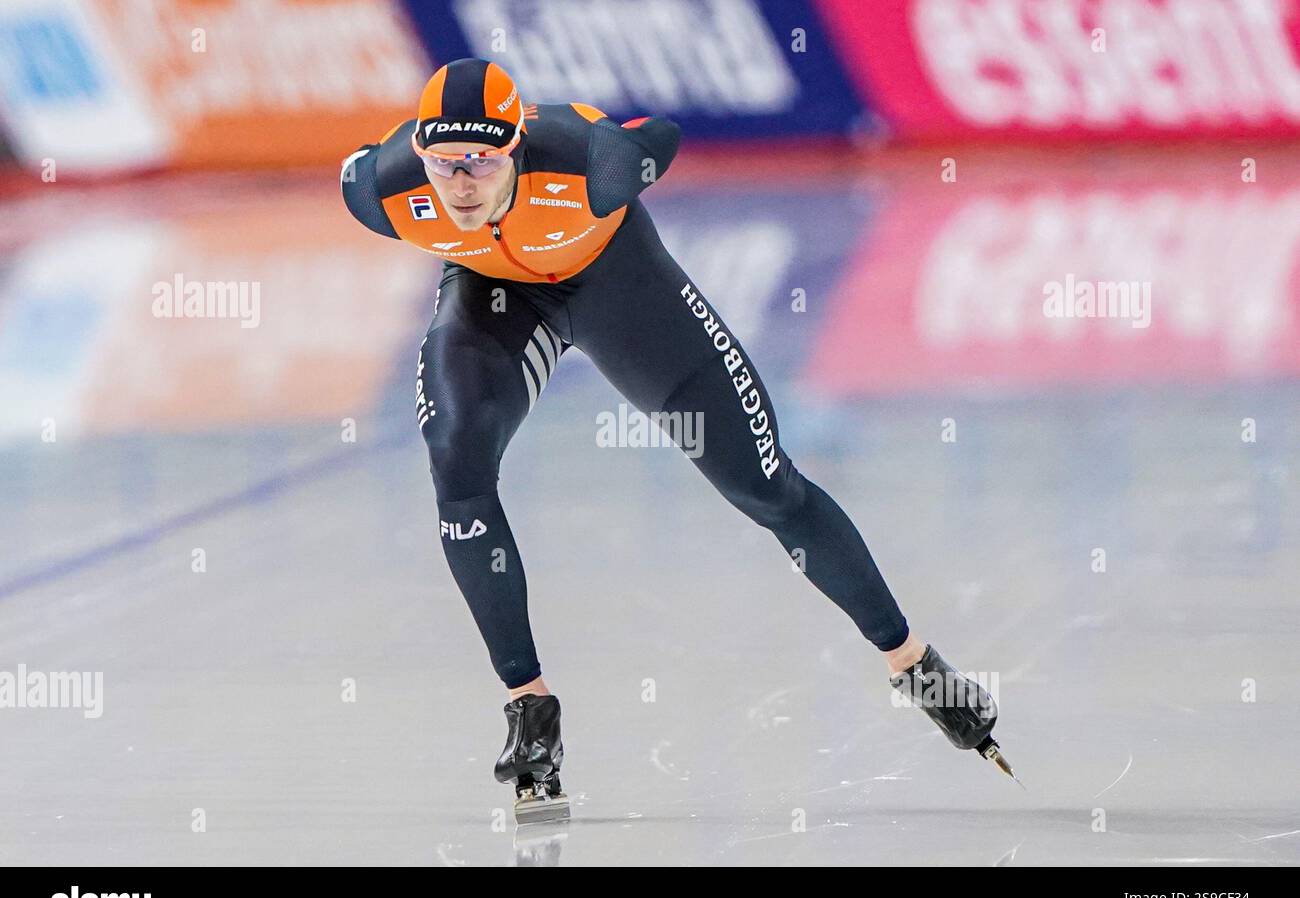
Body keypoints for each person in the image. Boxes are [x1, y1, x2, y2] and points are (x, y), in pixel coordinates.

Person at [341, 58, 1013, 821]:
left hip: (618, 288)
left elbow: (661, 134)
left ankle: (912, 662)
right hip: (494, 298)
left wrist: (628, 152)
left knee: (764, 487)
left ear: (518, 146)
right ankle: (529, 707)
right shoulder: (384, 188)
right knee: (456, 461)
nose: (461, 185)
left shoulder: (589, 168)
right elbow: (359, 168)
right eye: (445, 164)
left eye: (484, 162)